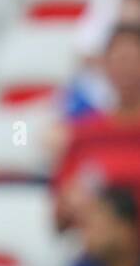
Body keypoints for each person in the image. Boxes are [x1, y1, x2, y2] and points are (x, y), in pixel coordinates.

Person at [53, 25, 140, 231]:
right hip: (99, 252)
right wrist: (72, 202)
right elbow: (59, 217)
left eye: (133, 60)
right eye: (119, 60)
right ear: (105, 67)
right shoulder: (84, 133)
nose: (126, 68)